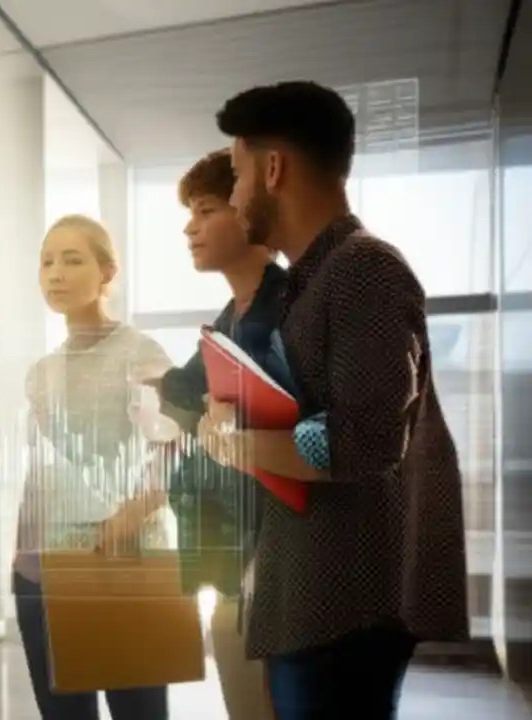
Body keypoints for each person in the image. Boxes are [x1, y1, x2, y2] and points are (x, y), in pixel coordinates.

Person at [208, 80, 469, 719]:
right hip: (315, 596)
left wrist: (243, 447)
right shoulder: (316, 278)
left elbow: (365, 437)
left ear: (274, 169)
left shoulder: (364, 269)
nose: (236, 197)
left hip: (344, 607)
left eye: (238, 175)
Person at [13, 214, 173, 720]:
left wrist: (131, 514)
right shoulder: (40, 374)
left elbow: (173, 451)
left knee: (138, 711)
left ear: (107, 271)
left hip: (122, 561)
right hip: (41, 570)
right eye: (46, 262)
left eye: (72, 259)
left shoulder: (141, 354)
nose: (55, 273)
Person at [151, 149, 284, 720]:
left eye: (206, 210)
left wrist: (226, 419)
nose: (190, 226)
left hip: (282, 561)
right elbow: (182, 389)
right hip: (236, 553)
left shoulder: (291, 307)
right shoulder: (234, 314)